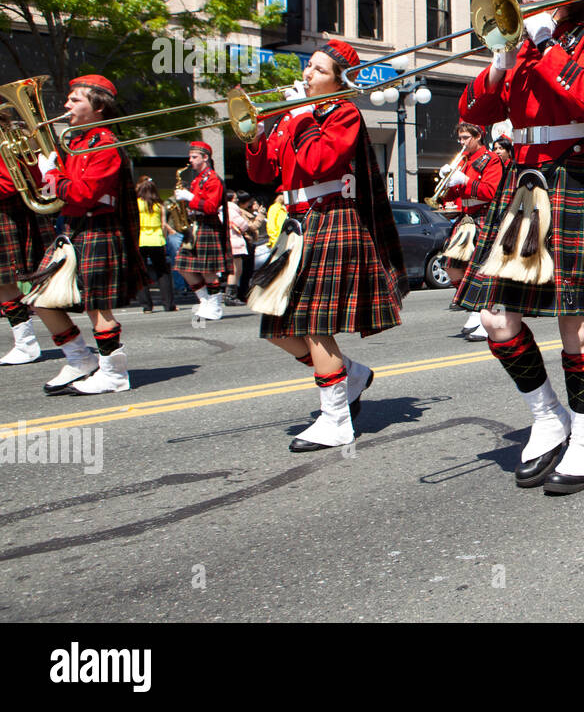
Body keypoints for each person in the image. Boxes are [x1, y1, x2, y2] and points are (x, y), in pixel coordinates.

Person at [455, 0, 584, 495]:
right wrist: (497, 63)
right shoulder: (517, 46)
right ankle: (546, 416)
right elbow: (477, 113)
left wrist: (542, 45)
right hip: (524, 179)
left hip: (577, 177)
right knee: (494, 316)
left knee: (574, 321)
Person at [244, 39, 406, 451]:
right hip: (298, 224)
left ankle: (336, 419)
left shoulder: (343, 112)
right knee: (275, 324)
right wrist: (256, 134)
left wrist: (299, 114)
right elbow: (264, 173)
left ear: (338, 80)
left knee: (315, 326)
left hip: (331, 217)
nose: (306, 74)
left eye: (317, 70)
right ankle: (350, 375)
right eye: (308, 67)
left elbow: (319, 163)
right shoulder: (294, 115)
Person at [31, 74, 148, 394]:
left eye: (75, 99)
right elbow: (58, 193)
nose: (66, 104)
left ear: (98, 108)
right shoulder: (76, 141)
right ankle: (79, 358)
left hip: (97, 228)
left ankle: (114, 373)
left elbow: (83, 194)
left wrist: (51, 173)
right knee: (41, 299)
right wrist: (41, 168)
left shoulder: (106, 143)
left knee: (97, 308)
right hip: (73, 229)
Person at [0, 106, 55, 365]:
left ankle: (73, 346)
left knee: (35, 284)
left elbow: (15, 181)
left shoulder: (8, 140)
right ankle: (24, 342)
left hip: (9, 213)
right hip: (8, 212)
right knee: (4, 285)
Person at [440, 122, 503, 341]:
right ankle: (474, 309)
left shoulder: (491, 160)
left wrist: (466, 180)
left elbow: (490, 191)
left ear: (478, 137)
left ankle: (483, 315)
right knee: (452, 268)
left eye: (466, 137)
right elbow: (449, 197)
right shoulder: (464, 161)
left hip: (483, 217)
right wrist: (447, 182)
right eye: (460, 138)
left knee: (480, 271)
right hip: (465, 219)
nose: (462, 142)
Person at [172, 140, 231, 321]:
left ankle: (215, 305)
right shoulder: (197, 179)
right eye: (190, 156)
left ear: (205, 158)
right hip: (195, 226)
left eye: (194, 157)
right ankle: (204, 299)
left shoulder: (213, 179)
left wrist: (189, 197)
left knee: (208, 269)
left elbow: (212, 206)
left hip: (207, 225)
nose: (190, 160)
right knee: (183, 266)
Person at [134, 176, 177, 313]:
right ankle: (168, 304)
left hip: (141, 239)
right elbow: (163, 225)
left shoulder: (137, 204)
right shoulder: (159, 205)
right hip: (157, 240)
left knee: (141, 273)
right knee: (163, 273)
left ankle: (147, 306)